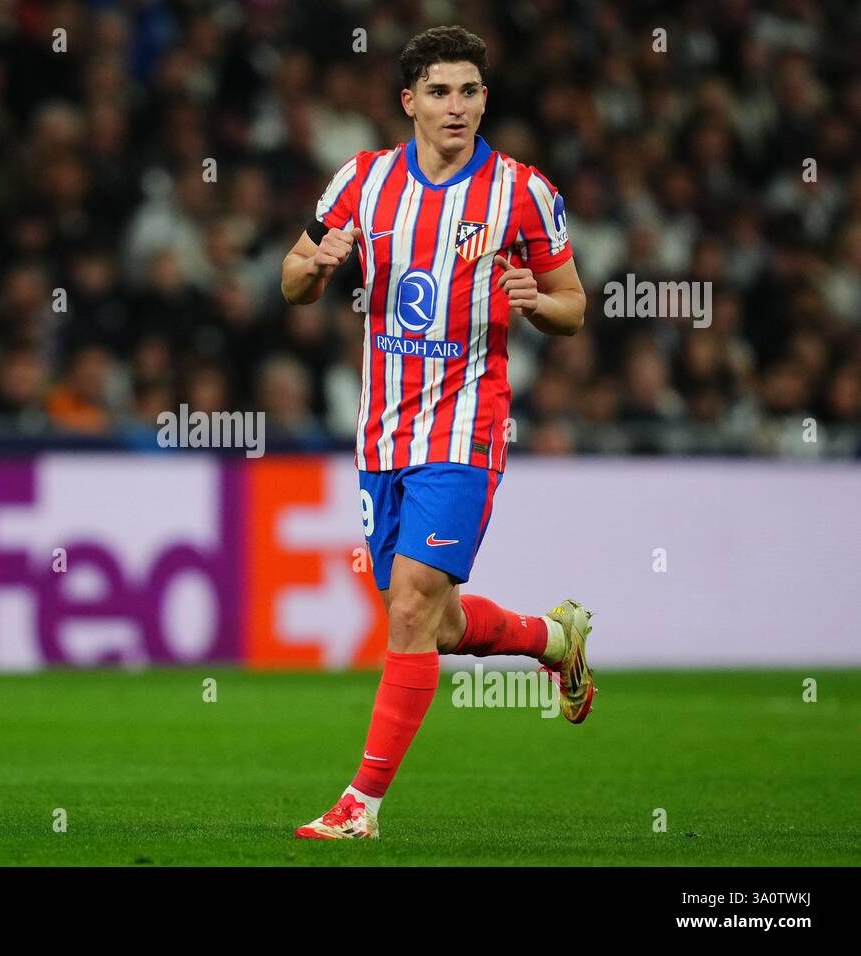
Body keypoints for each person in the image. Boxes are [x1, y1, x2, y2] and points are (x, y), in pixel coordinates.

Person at [280, 25, 595, 840]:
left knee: (413, 609)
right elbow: (290, 281)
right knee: (434, 620)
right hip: (381, 436)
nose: (456, 106)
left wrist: (538, 302)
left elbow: (573, 307)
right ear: (409, 102)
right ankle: (552, 638)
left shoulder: (521, 191)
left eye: (469, 92)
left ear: (485, 100)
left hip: (465, 430)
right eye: (440, 92)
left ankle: (361, 805)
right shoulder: (363, 180)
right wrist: (317, 265)